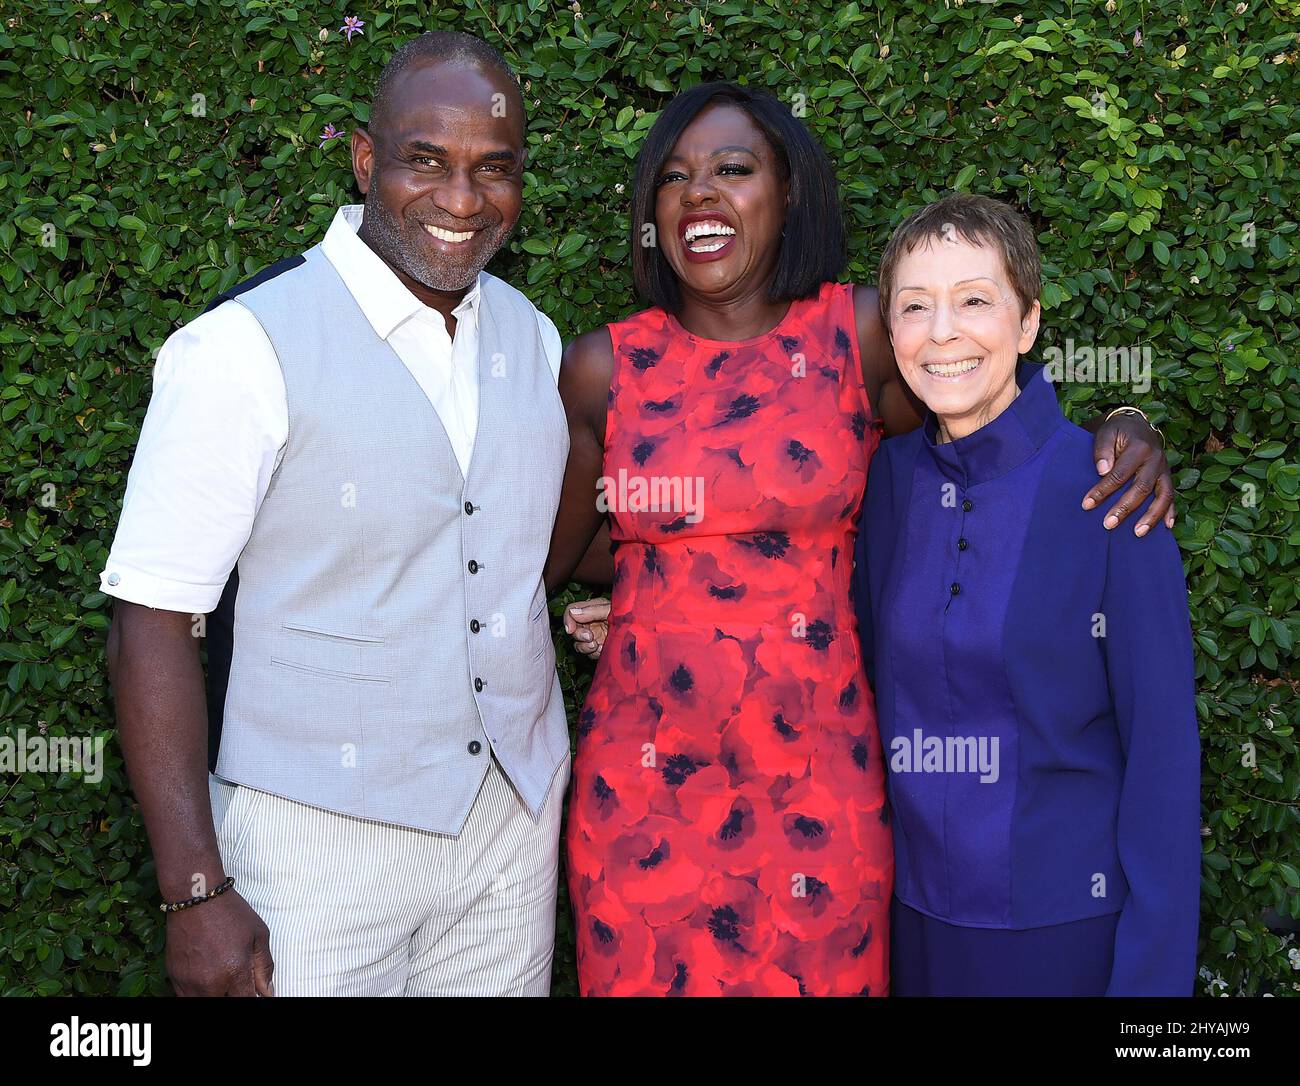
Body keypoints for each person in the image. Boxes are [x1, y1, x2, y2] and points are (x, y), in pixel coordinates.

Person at [548, 82, 1175, 996]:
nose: (700, 195)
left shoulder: (862, 334)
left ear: (789, 191)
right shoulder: (603, 367)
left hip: (820, 785)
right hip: (646, 790)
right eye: (674, 178)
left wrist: (1120, 425)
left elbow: (970, 435)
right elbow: (556, 553)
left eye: (733, 168)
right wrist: (666, 587)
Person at [103, 32, 572, 996]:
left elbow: (509, 552)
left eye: (495, 169)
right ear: (365, 161)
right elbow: (149, 623)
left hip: (511, 832)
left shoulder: (536, 339)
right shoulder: (240, 348)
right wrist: (196, 893)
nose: (460, 199)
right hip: (310, 842)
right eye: (424, 161)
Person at [856, 193, 1200, 995]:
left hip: (1068, 939)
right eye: (915, 307)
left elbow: (1162, 761)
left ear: (1029, 323)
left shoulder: (1114, 491)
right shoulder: (885, 484)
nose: (942, 331)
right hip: (912, 933)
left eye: (975, 300)